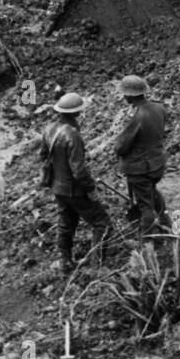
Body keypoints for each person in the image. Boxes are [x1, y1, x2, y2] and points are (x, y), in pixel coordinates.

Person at [40, 92, 113, 274]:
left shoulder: (49, 129)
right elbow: (79, 171)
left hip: (57, 188)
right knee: (102, 223)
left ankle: (65, 261)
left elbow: (42, 155)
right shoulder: (73, 135)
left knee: (66, 222)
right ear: (78, 113)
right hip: (74, 190)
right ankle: (98, 266)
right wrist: (91, 189)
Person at [115, 75, 171, 236]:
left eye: (124, 94)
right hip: (157, 163)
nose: (123, 96)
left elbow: (121, 147)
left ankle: (147, 240)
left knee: (145, 206)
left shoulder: (138, 117)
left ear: (130, 95)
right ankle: (167, 223)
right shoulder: (159, 108)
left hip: (141, 169)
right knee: (152, 192)